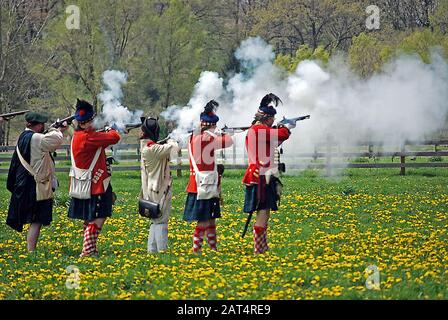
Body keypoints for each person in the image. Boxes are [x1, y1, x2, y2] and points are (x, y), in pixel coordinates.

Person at [242, 93, 295, 254]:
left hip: (261, 175)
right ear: (267, 117)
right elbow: (281, 135)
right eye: (272, 118)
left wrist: (282, 128)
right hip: (261, 177)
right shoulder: (259, 129)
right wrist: (287, 127)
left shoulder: (258, 130)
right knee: (263, 213)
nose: (273, 121)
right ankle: (259, 250)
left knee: (264, 213)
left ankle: (263, 247)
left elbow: (276, 140)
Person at [6, 112, 67, 252]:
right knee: (37, 219)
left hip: (27, 184)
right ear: (38, 125)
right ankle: (31, 251)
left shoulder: (24, 136)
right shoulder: (35, 138)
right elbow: (55, 141)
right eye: (42, 124)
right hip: (34, 186)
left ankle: (31, 250)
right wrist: (56, 129)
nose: (43, 126)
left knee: (36, 219)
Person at [68, 99, 121, 257]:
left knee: (91, 217)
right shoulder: (88, 137)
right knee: (99, 216)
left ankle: (91, 249)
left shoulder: (80, 135)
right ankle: (87, 250)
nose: (91, 123)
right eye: (89, 121)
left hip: (89, 183)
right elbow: (114, 137)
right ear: (82, 123)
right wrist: (110, 128)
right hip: (96, 184)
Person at [183, 100, 234, 253]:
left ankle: (213, 248)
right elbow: (229, 141)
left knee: (210, 218)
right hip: (203, 185)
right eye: (215, 126)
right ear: (211, 125)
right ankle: (196, 250)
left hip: (202, 183)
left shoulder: (195, 136)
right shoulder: (206, 138)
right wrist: (223, 133)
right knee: (204, 220)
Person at [140, 117, 179, 253]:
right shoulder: (152, 149)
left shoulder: (147, 146)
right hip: (159, 189)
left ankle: (152, 251)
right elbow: (174, 148)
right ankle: (162, 251)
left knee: (155, 221)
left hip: (151, 188)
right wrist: (171, 140)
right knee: (161, 221)